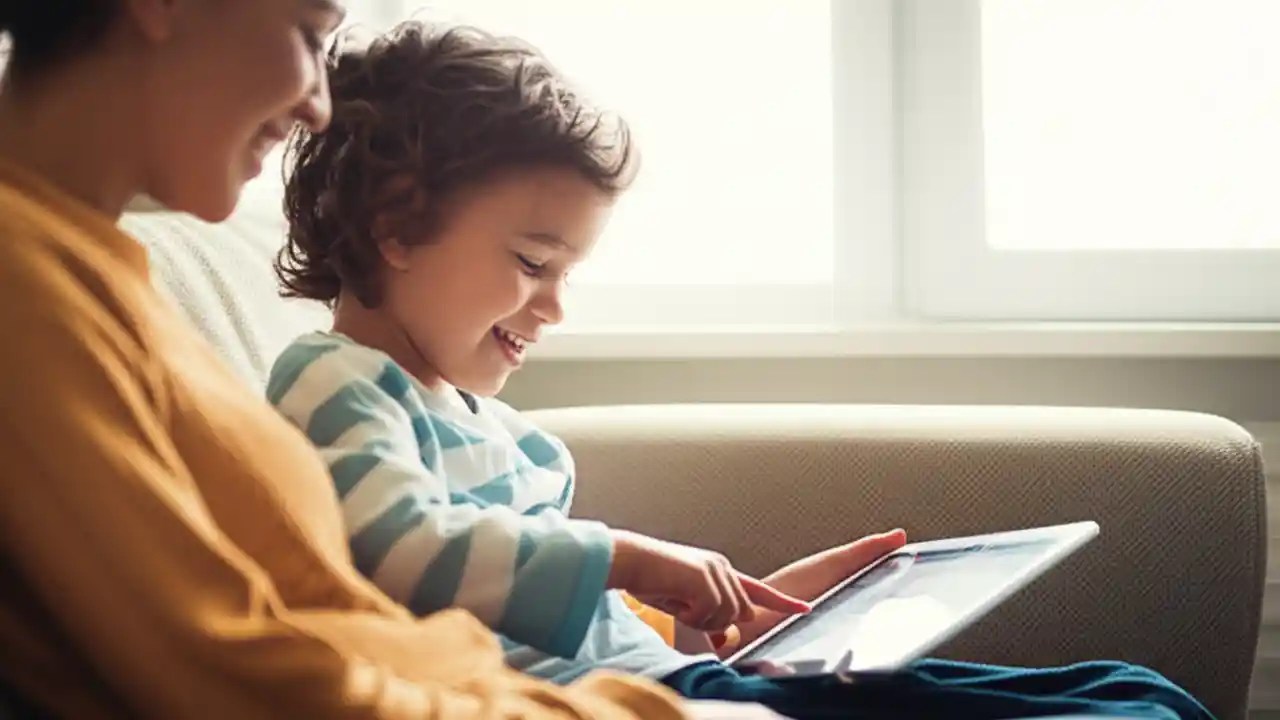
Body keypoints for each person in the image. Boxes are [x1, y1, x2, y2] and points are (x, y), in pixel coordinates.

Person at [266, 20, 1216, 720]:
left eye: (567, 273)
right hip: (635, 702)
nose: (554, 307)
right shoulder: (335, 383)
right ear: (395, 226)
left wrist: (739, 617)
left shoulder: (500, 432)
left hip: (682, 677)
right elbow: (404, 556)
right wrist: (628, 555)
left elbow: (579, 625)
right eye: (530, 263)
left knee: (1136, 693)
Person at [0, 2, 778, 718]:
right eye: (308, 32)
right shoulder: (25, 291)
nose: (317, 105)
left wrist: (723, 639)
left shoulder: (97, 278)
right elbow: (248, 677)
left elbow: (339, 624)